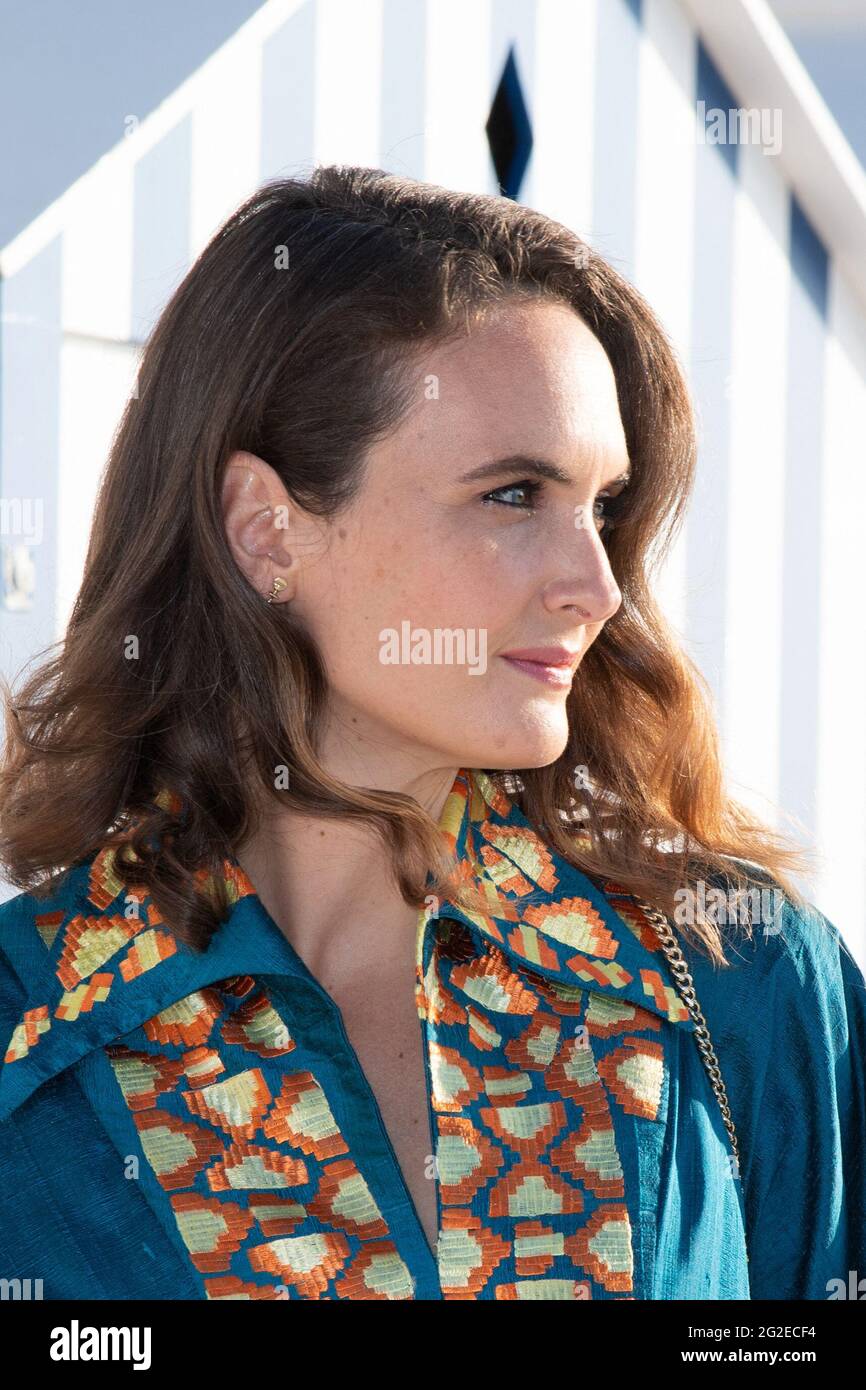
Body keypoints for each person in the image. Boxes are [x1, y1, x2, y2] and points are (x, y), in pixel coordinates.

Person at [0, 166, 862, 1301]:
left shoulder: (736, 981)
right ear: (267, 530)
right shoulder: (30, 1039)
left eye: (601, 505)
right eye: (512, 495)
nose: (594, 584)